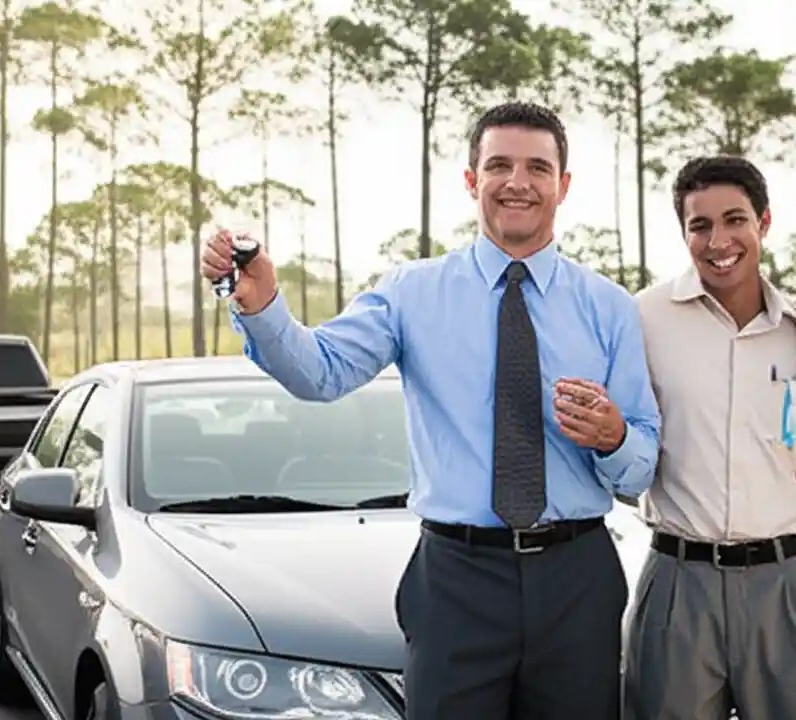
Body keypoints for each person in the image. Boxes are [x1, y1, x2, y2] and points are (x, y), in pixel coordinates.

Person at [201, 101, 661, 720]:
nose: (517, 182)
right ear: (472, 181)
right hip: (455, 580)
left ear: (563, 185)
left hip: (578, 579)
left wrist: (611, 438)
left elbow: (641, 466)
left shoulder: (610, 308)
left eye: (537, 168)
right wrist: (262, 307)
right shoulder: (410, 293)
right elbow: (322, 373)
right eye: (498, 164)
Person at [622, 155, 796, 720]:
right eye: (700, 225)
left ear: (763, 223)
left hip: (789, 586)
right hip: (678, 584)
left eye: (735, 220)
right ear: (684, 233)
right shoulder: (641, 319)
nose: (718, 240)